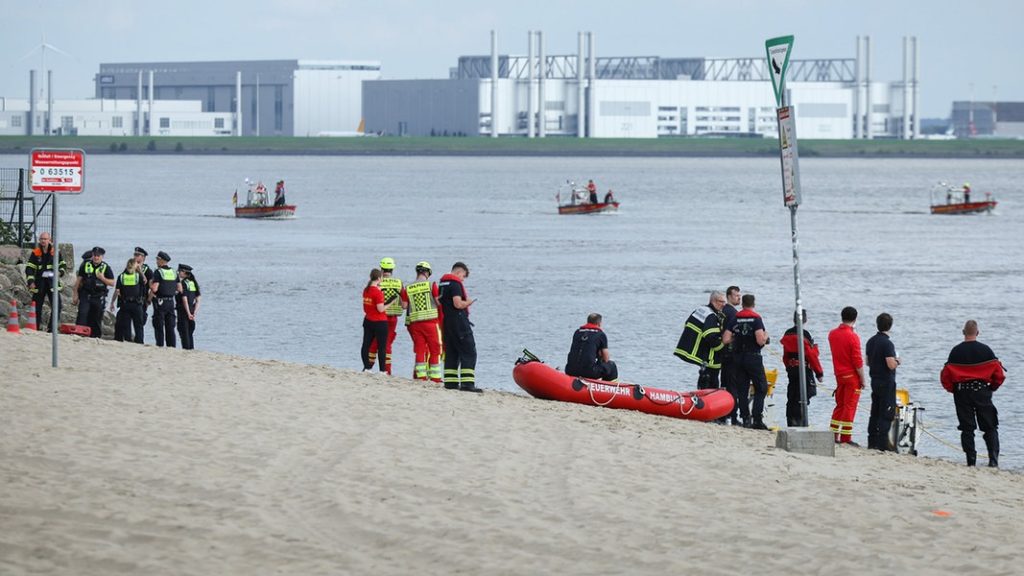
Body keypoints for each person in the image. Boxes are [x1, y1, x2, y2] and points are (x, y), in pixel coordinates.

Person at [940, 320, 1005, 467]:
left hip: (962, 392)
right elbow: (999, 375)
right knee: (990, 426)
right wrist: (992, 388)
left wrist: (953, 390)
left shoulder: (955, 352)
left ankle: (971, 461)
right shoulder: (986, 351)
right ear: (977, 333)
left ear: (964, 333)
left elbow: (945, 376)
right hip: (982, 391)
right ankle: (993, 461)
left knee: (967, 428)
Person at [723, 294, 771, 429]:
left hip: (738, 358)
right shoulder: (756, 318)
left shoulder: (736, 317)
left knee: (742, 389)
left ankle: (745, 418)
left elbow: (725, 339)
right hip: (753, 357)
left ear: (742, 303)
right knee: (761, 388)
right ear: (753, 304)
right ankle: (757, 419)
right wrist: (766, 336)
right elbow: (760, 340)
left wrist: (736, 338)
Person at [438, 262, 481, 392]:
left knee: (452, 352)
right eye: (463, 276)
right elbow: (457, 304)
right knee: (469, 351)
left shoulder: (442, 284)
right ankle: (467, 384)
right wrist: (468, 302)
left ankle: (450, 383)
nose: (462, 280)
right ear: (459, 272)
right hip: (458, 322)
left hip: (447, 322)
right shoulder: (455, 283)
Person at [828, 306, 866, 445]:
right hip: (851, 376)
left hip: (839, 375)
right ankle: (845, 438)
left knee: (840, 405)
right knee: (850, 406)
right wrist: (863, 379)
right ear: (855, 319)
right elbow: (858, 361)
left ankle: (833, 434)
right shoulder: (853, 337)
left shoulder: (832, 334)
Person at [780, 309, 824, 427]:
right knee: (805, 393)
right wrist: (819, 373)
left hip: (792, 368)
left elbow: (785, 355)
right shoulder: (805, 335)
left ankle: (791, 420)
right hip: (803, 369)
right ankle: (800, 420)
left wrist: (788, 367)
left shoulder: (787, 333)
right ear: (805, 320)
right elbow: (811, 355)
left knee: (792, 394)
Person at [674, 291, 726, 390]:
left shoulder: (700, 310)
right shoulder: (712, 316)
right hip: (710, 357)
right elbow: (711, 336)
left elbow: (687, 324)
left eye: (724, 302)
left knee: (703, 377)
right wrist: (722, 347)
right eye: (721, 302)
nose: (723, 305)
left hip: (697, 352)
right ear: (713, 301)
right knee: (710, 381)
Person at [400, 261, 442, 382]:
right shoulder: (431, 285)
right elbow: (439, 302)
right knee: (435, 349)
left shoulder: (408, 288)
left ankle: (421, 377)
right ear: (427, 272)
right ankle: (435, 378)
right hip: (431, 322)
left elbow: (403, 306)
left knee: (420, 350)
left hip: (415, 324)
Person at [865, 313, 900, 450]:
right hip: (886, 381)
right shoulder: (887, 343)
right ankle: (882, 444)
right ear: (890, 326)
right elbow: (890, 364)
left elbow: (868, 361)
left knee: (875, 411)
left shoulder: (871, 341)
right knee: (886, 412)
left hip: (875, 379)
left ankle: (871, 441)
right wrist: (898, 361)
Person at [24, 232, 67, 332]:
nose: (43, 241)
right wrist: (30, 281)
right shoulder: (36, 252)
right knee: (36, 307)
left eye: (45, 239)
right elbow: (29, 268)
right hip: (39, 283)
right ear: (39, 240)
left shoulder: (55, 252)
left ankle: (51, 328)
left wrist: (60, 272)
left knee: (57, 306)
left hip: (52, 282)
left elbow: (63, 265)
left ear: (50, 240)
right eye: (41, 239)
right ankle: (35, 327)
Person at [368, 257, 402, 375]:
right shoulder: (398, 283)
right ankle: (386, 370)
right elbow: (403, 303)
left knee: (375, 342)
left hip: (378, 317)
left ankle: (369, 366)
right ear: (392, 269)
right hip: (393, 318)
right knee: (386, 343)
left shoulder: (378, 283)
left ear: (381, 269)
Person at [73, 246, 115, 338]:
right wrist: (75, 294)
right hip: (86, 295)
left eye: (98, 256)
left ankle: (94, 336)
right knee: (82, 314)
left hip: (98, 296)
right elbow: (78, 281)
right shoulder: (85, 265)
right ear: (92, 255)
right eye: (95, 255)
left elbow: (112, 283)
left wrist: (103, 278)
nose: (96, 257)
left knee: (96, 317)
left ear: (102, 257)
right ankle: (79, 334)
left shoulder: (106, 267)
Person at [564, 313, 618, 381]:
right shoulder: (601, 335)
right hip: (589, 372)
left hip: (570, 370)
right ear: (599, 323)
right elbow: (606, 358)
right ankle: (609, 388)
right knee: (611, 366)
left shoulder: (577, 332)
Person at [109, 258, 146, 344]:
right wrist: (140, 271)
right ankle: (139, 342)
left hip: (125, 304)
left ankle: (128, 341)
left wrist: (112, 302)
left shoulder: (121, 276)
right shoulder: (138, 276)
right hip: (137, 304)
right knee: (138, 326)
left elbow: (117, 291)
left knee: (127, 325)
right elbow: (144, 281)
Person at [149, 251, 180, 347]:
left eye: (157, 259)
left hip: (161, 302)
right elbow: (179, 289)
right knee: (170, 326)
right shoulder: (174, 272)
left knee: (159, 325)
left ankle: (160, 345)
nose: (156, 261)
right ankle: (171, 346)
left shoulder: (158, 272)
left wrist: (150, 284)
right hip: (171, 302)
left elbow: (154, 289)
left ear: (162, 261)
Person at [721, 286, 742, 424]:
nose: (739, 298)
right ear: (728, 296)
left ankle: (722, 414)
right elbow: (734, 333)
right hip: (730, 353)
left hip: (721, 353)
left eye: (740, 296)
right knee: (733, 386)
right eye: (736, 296)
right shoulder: (733, 313)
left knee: (724, 384)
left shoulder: (721, 310)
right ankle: (733, 416)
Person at [361, 268, 389, 372]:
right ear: (378, 278)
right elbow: (380, 309)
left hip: (368, 320)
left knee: (366, 345)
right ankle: (382, 370)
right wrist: (390, 302)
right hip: (380, 322)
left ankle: (367, 367)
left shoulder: (366, 290)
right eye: (381, 277)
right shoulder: (378, 293)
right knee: (382, 347)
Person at [176, 264, 201, 350]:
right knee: (190, 332)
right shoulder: (193, 283)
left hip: (184, 311)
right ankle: (191, 348)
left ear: (184, 272)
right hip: (192, 309)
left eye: (179, 271)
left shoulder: (183, 283)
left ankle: (186, 349)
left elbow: (184, 299)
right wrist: (194, 313)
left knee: (184, 332)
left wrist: (188, 313)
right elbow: (198, 300)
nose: (178, 273)